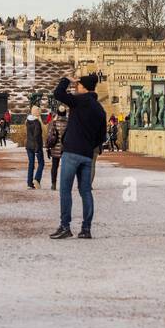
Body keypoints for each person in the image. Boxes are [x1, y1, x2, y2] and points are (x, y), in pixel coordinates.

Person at [50, 73, 106, 240]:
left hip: (72, 152)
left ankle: (65, 226)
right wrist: (89, 146)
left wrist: (67, 80)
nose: (75, 88)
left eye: (78, 85)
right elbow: (101, 137)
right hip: (87, 155)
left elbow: (58, 94)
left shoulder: (79, 101)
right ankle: (86, 229)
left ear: (83, 87)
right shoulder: (100, 109)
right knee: (86, 192)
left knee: (65, 190)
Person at [45, 105, 68, 189]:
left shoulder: (52, 123)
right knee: (65, 168)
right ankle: (64, 184)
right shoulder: (69, 123)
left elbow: (49, 136)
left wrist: (47, 147)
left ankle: (53, 184)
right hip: (66, 148)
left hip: (54, 148)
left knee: (54, 166)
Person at [24, 109, 45, 188]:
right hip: (36, 146)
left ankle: (29, 183)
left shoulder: (27, 121)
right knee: (41, 163)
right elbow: (36, 136)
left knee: (31, 164)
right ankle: (37, 179)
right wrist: (37, 149)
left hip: (28, 146)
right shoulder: (37, 123)